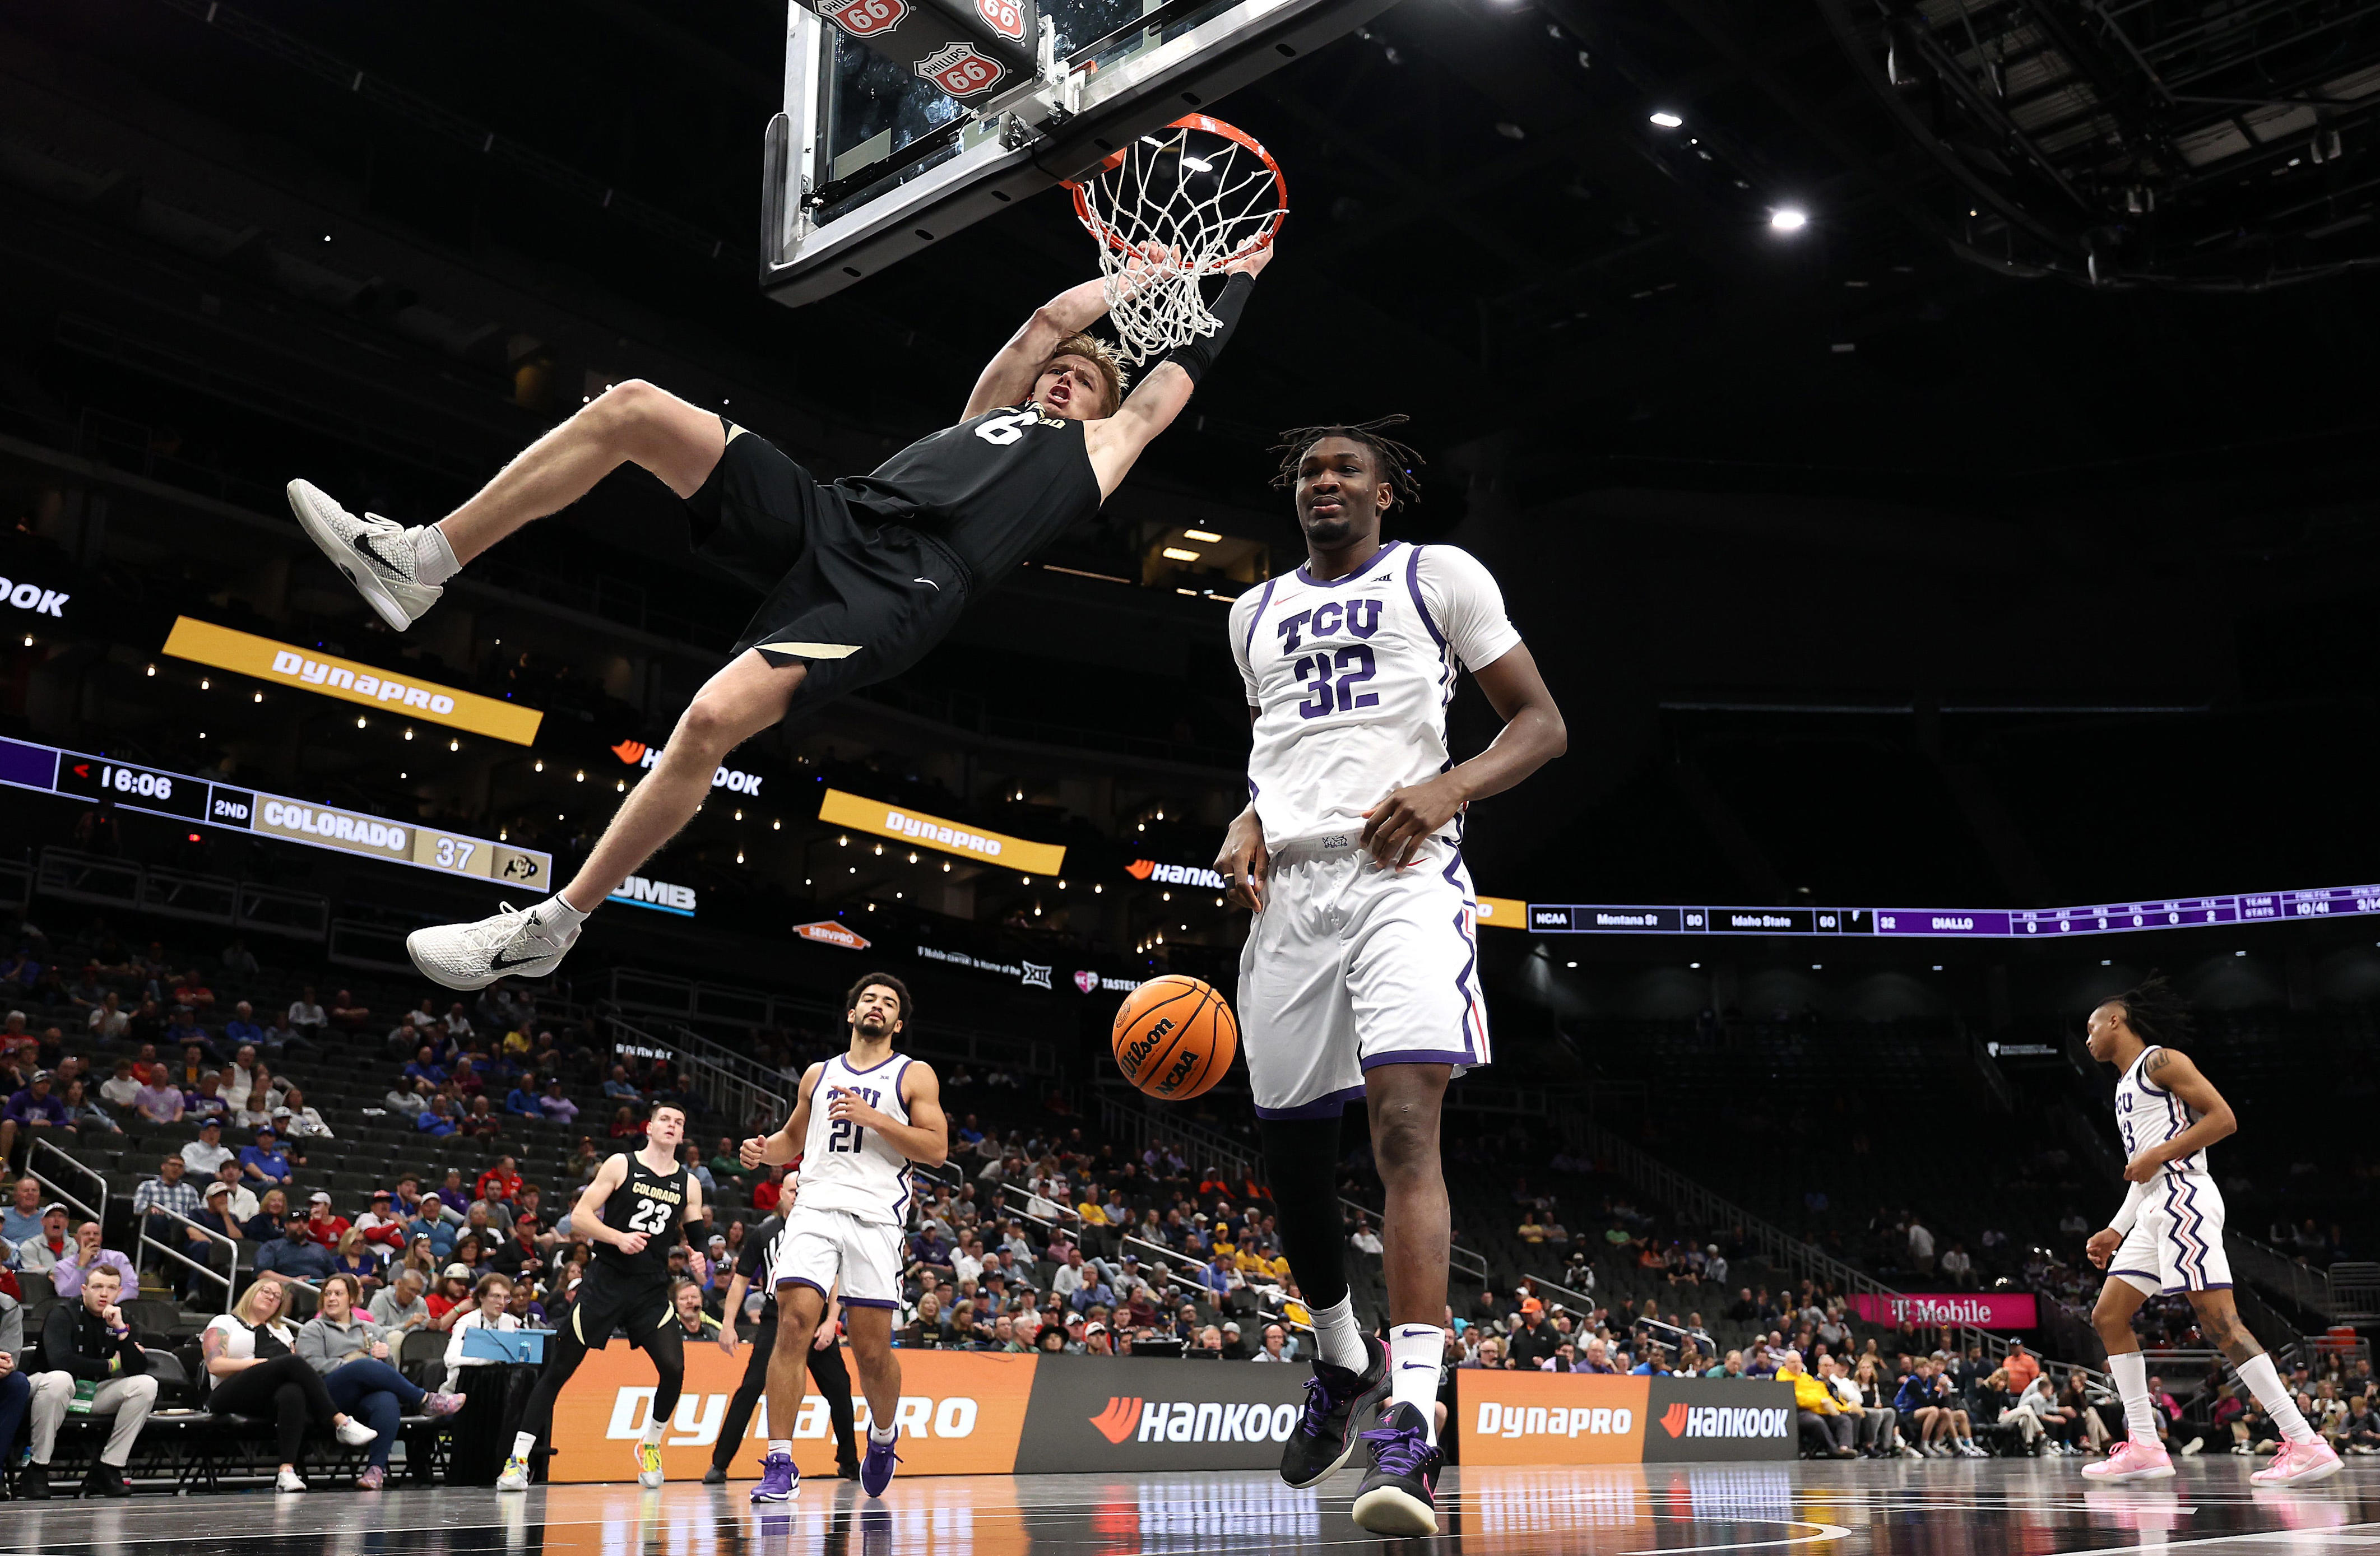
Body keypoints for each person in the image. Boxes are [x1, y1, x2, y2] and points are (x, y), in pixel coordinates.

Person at [299, 244, 1275, 993]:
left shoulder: (1098, 452)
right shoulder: (984, 412)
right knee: (635, 406)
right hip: (840, 511)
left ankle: (549, 926)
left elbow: (1169, 384)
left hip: (909, 585)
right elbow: (1046, 319)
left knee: (710, 721)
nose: (1065, 377)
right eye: (1058, 372)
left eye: (1084, 379)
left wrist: (1227, 279)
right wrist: (1149, 268)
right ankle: (421, 561)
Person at [1212, 418, 1565, 1538]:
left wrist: (1448, 788)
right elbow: (1286, 753)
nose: (1323, 480)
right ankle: (1336, 1355)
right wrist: (1246, 818)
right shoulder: (1249, 612)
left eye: (1344, 467)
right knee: (1289, 1157)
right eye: (1309, 468)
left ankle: (1409, 1418)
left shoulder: (1436, 576)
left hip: (1402, 875)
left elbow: (1541, 723)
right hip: (1288, 899)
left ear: (1382, 491)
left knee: (1403, 1128)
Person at [2079, 977, 2342, 1487]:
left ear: (2115, 1020)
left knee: (2219, 1322)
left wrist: (2160, 1152)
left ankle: (2304, 1440)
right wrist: (2115, 1227)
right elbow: (2142, 1171)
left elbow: (2222, 1119)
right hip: (2154, 1205)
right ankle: (2145, 1445)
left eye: (2090, 1027)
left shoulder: (2161, 1061)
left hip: (2184, 1199)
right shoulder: (2123, 1086)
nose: (2086, 1039)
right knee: (2108, 1315)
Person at [739, 973, 947, 1503]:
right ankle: (780, 1462)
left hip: (876, 1217)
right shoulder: (819, 1072)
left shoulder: (913, 1073)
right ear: (851, 1013)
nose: (876, 1006)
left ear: (898, 1023)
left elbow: (936, 1149)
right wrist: (765, 1151)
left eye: (889, 1003)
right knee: (793, 1325)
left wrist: (874, 1116)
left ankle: (881, 1436)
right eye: (868, 999)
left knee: (872, 1351)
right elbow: (793, 1139)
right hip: (813, 1207)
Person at [500, 1102, 704, 1492]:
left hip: (649, 1288)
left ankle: (649, 1444)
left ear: (682, 1135)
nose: (672, 1125)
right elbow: (580, 1216)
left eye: (679, 1122)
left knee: (674, 1369)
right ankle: (518, 1459)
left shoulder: (688, 1182)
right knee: (559, 1370)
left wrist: (696, 1253)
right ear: (649, 1126)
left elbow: (695, 1233)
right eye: (665, 1118)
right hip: (606, 1282)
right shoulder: (620, 1164)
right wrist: (616, 1237)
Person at [707, 1210, 861, 1485]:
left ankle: (849, 1461)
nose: (795, 1194)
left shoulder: (824, 1228)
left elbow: (838, 1279)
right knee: (752, 1386)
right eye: (790, 1190)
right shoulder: (764, 1233)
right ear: (781, 1195)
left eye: (799, 1189)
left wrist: (831, 1322)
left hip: (816, 1320)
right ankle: (720, 1463)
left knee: (839, 1387)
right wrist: (728, 1323)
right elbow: (741, 1280)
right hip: (777, 1319)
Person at [205, 1278, 379, 1492]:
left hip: (265, 1398)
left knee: (293, 1392)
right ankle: (341, 1422)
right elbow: (215, 1365)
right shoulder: (225, 1322)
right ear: (251, 1293)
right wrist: (262, 1364)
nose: (271, 1297)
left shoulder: (282, 1331)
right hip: (228, 1392)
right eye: (266, 1291)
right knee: (293, 1362)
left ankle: (286, 1472)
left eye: (277, 1297)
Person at [299, 1272, 465, 1488]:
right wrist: (353, 1365)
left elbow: (388, 1376)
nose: (331, 1299)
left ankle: (375, 1470)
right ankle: (425, 1400)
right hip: (327, 1398)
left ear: (351, 1299)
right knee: (364, 1365)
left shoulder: (373, 1331)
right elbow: (311, 1367)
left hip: (361, 1401)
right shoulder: (313, 1329)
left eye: (338, 1294)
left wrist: (385, 1357)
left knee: (385, 1398)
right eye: (327, 1294)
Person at [52, 1219, 136, 1302]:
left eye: (96, 1234)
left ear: (101, 1239)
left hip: (113, 1310)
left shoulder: (118, 1258)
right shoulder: (62, 1266)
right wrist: (81, 1266)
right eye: (86, 1234)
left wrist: (109, 1304)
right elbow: (67, 1296)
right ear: (76, 1239)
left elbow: (131, 1288)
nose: (92, 1237)